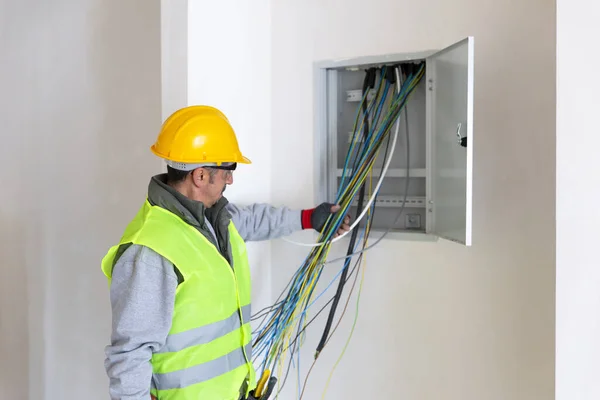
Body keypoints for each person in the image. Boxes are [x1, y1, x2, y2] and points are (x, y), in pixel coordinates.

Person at [100, 105, 350, 400]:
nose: (231, 180)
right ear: (201, 176)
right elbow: (129, 355)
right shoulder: (151, 251)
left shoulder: (212, 218)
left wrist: (309, 218)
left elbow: (254, 220)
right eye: (227, 171)